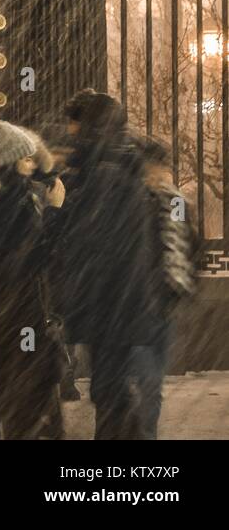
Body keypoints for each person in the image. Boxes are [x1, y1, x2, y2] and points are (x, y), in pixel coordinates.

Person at [54, 90, 168, 440]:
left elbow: (90, 243)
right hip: (117, 302)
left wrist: (57, 209)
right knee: (109, 389)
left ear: (90, 126)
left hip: (108, 304)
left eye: (75, 122)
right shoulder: (113, 167)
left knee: (108, 391)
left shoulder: (103, 173)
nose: (69, 130)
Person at [0, 121, 65, 440]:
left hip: (0, 321)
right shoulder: (13, 204)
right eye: (25, 158)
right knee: (24, 414)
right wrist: (54, 213)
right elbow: (30, 259)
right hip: (19, 323)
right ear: (10, 162)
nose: (31, 163)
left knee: (9, 410)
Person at [130, 134, 197, 439]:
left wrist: (182, 282)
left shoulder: (174, 202)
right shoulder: (131, 204)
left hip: (162, 305)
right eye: (152, 168)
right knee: (146, 382)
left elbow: (190, 243)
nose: (157, 174)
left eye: (160, 167)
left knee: (153, 384)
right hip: (136, 307)